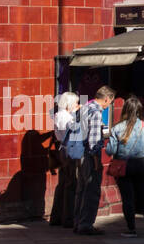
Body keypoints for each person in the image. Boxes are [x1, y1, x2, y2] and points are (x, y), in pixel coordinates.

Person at [106, 95, 144, 237]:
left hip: (124, 166)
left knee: (127, 198)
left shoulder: (117, 128)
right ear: (139, 110)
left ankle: (131, 229)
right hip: (142, 164)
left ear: (125, 110)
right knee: (143, 197)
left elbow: (111, 151)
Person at [72, 85, 115, 235]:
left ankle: (77, 221)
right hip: (89, 157)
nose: (108, 105)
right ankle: (86, 224)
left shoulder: (84, 108)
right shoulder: (96, 113)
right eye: (109, 102)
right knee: (91, 191)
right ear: (106, 99)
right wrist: (97, 161)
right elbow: (94, 141)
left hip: (79, 153)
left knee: (81, 189)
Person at [49, 92, 80, 228]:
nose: (77, 105)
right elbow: (75, 131)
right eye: (75, 103)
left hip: (61, 149)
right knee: (71, 184)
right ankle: (68, 218)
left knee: (62, 183)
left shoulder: (57, 115)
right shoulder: (68, 117)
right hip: (69, 149)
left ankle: (56, 216)